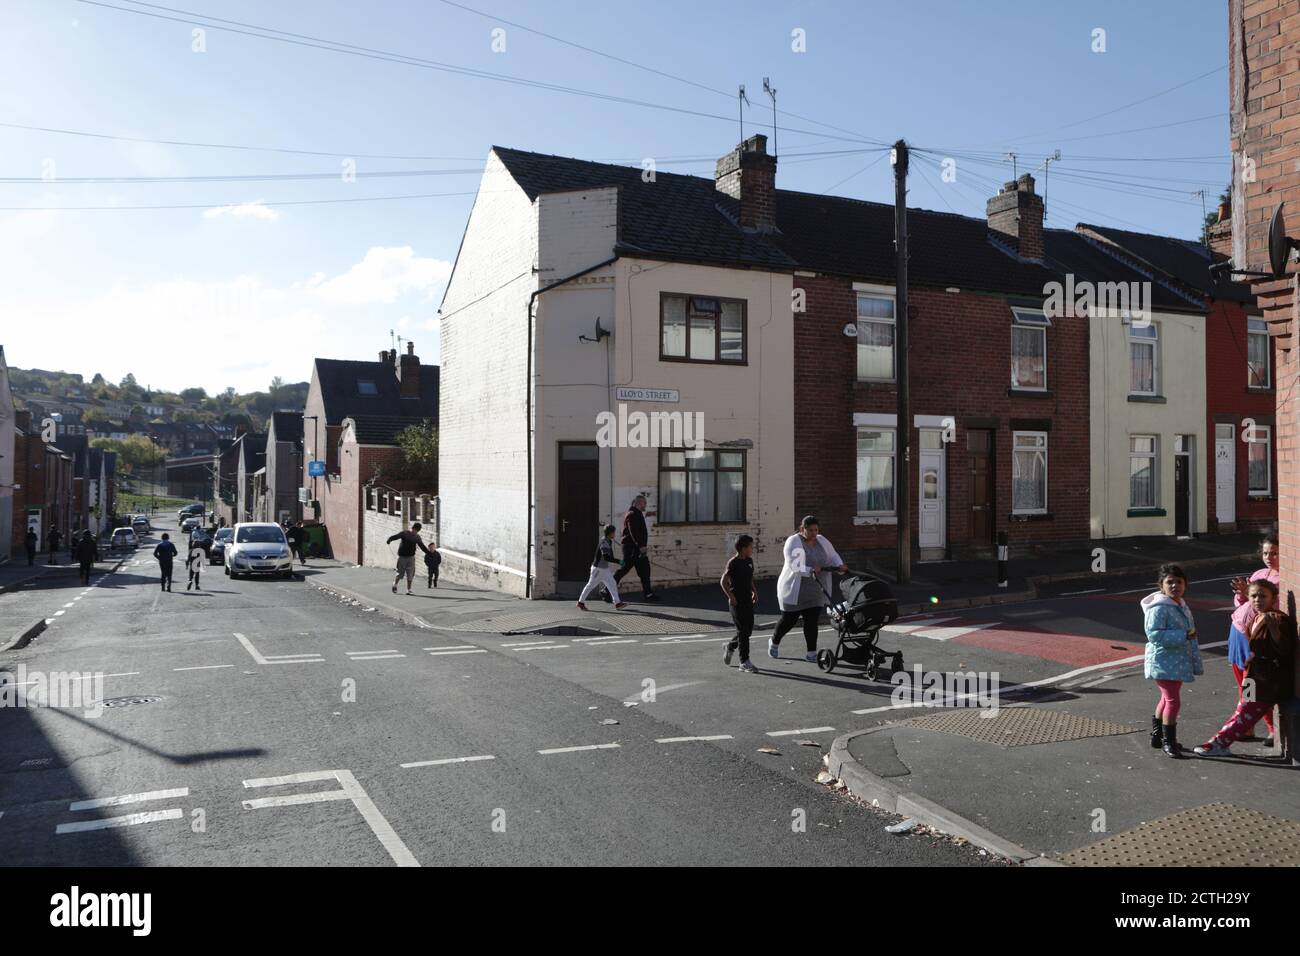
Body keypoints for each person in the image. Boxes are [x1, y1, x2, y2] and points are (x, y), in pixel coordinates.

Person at [1196, 579, 1296, 755]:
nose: (1258, 600)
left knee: (1245, 712)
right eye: (1254, 596)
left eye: (1263, 596)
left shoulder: (1279, 619)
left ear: (1273, 598)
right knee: (1242, 708)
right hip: (1251, 676)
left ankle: (1219, 743)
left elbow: (1285, 649)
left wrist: (1274, 630)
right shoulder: (1255, 617)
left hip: (1267, 680)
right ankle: (1220, 743)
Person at [1141, 564, 1203, 759]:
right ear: (1161, 586)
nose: (1175, 585)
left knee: (1166, 699)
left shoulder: (1179, 604)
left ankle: (1158, 736)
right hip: (1163, 660)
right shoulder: (1159, 608)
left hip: (1175, 660)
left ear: (1185, 584)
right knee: (1173, 701)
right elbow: (1154, 635)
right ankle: (1169, 742)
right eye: (1170, 582)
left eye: (1179, 582)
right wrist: (1184, 635)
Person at [1227, 533, 1281, 743]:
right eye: (1266, 553)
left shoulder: (1284, 578)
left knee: (1255, 685)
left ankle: (1271, 729)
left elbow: (1272, 608)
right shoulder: (1260, 572)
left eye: (1275, 553)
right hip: (1237, 632)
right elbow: (1241, 604)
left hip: (1256, 638)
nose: (1270, 557)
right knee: (1244, 685)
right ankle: (1247, 727)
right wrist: (1242, 593)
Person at [770, 516, 847, 662]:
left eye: (816, 530)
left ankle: (811, 653)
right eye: (810, 530)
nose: (813, 533)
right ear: (802, 529)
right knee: (788, 620)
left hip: (816, 589)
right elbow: (794, 565)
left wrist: (840, 566)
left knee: (811, 622)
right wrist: (811, 569)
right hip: (794, 589)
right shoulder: (794, 541)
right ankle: (774, 642)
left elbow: (832, 556)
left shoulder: (821, 540)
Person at [721, 534, 759, 673]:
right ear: (743, 548)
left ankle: (730, 646)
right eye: (750, 546)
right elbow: (723, 582)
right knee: (743, 631)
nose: (752, 548)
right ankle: (744, 661)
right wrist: (731, 597)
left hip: (747, 600)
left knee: (747, 630)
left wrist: (754, 591)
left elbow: (749, 578)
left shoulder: (749, 560)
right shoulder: (733, 562)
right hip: (736, 602)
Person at [608, 495, 656, 602]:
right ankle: (606, 590)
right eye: (644, 503)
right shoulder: (633, 514)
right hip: (633, 549)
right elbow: (633, 531)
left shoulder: (636, 513)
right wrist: (641, 546)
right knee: (623, 570)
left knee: (644, 570)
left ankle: (648, 594)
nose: (646, 505)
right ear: (638, 503)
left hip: (635, 548)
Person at [577, 525, 627, 611]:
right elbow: (606, 557)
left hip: (604, 569)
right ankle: (580, 603)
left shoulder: (609, 541)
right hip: (598, 569)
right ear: (610, 533)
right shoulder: (604, 543)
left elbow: (610, 555)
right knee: (590, 586)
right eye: (614, 532)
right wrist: (619, 561)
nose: (614, 534)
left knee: (612, 584)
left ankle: (618, 603)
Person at [387, 522, 431, 595]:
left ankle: (409, 590)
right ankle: (395, 585)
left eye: (417, 531)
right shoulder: (405, 533)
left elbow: (422, 546)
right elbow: (396, 536)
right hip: (402, 557)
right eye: (415, 530)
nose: (415, 532)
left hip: (411, 557)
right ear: (412, 528)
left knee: (410, 574)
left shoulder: (417, 537)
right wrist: (390, 539)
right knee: (400, 573)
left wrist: (429, 553)